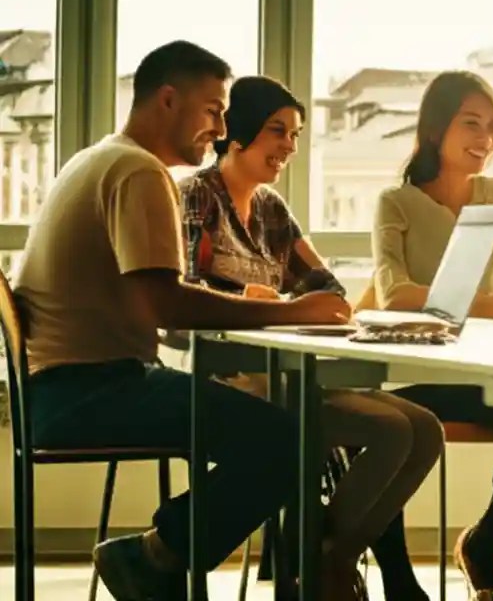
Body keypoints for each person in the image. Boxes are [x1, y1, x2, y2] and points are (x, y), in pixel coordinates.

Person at [14, 41, 351, 600]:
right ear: (168, 100)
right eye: (213, 110)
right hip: (88, 390)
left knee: (281, 433)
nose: (220, 130)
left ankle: (158, 560)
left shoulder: (97, 158)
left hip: (57, 388)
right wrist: (290, 311)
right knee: (292, 441)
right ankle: (154, 556)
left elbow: (159, 299)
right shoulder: (138, 172)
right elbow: (167, 305)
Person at [179, 76, 444, 599]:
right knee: (392, 431)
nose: (290, 146)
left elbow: (328, 290)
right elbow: (185, 288)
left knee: (425, 431)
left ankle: (328, 555)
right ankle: (328, 558)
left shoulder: (272, 209)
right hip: (229, 381)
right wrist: (256, 299)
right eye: (278, 131)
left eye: (296, 135)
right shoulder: (196, 196)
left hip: (289, 376)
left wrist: (293, 306)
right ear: (239, 131)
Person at [351, 70, 493, 601]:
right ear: (436, 128)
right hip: (416, 380)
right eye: (471, 123)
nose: (486, 137)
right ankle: (399, 582)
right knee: (384, 431)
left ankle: (484, 543)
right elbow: (395, 294)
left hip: (484, 376)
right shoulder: (396, 201)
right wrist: (487, 304)